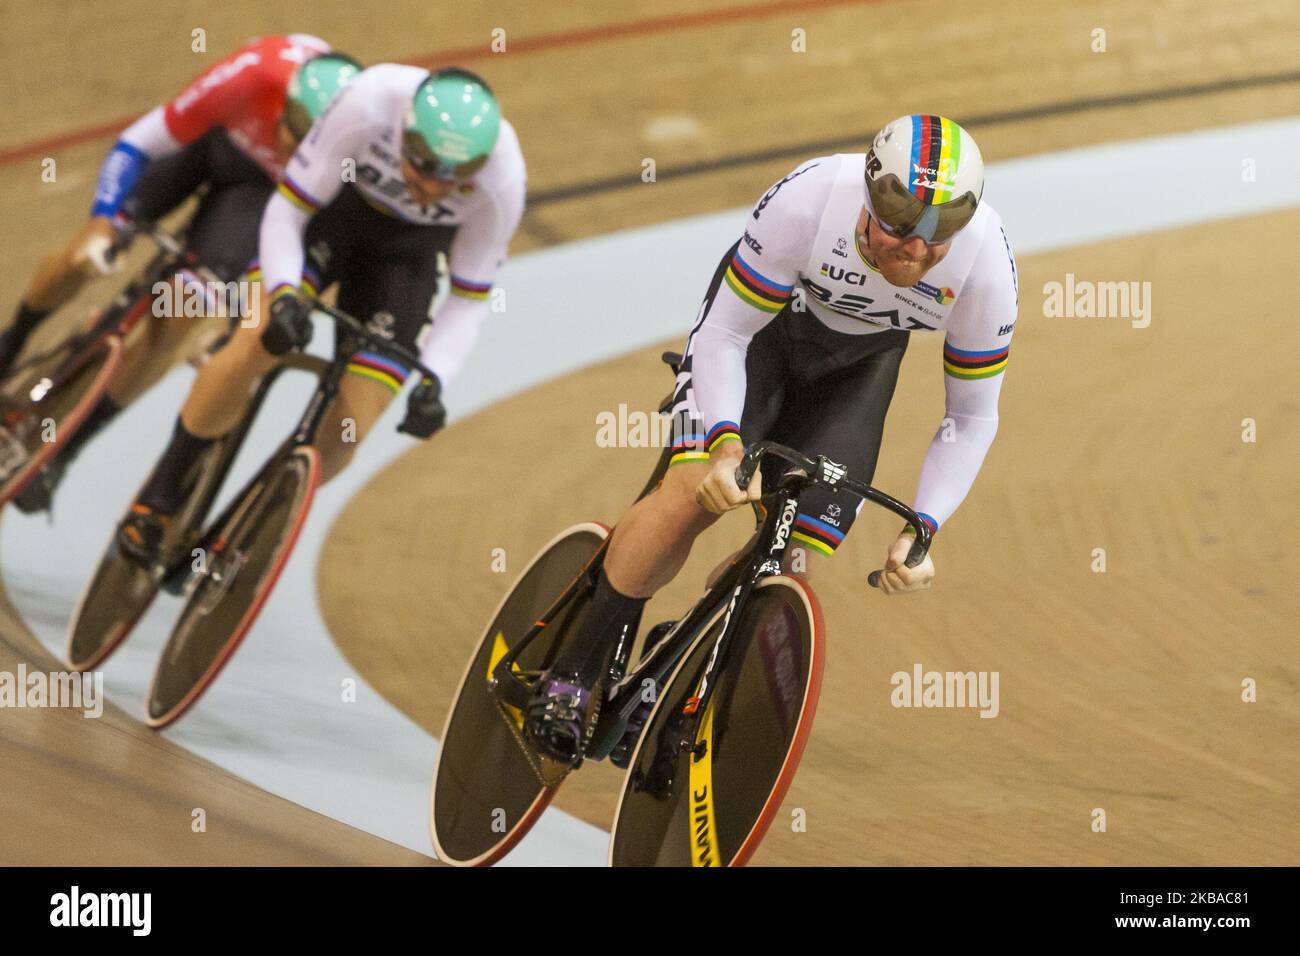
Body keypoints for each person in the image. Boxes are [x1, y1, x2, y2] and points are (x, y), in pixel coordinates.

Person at [525, 114, 1019, 762]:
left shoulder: (984, 268)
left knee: (789, 561)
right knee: (690, 498)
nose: (916, 250)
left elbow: (973, 418)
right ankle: (576, 668)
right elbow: (726, 334)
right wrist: (725, 445)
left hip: (856, 372)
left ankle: (684, 655)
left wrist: (924, 527)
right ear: (869, 198)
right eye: (900, 225)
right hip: (760, 338)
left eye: (938, 235)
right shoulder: (813, 198)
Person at [115, 65, 526, 565]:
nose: (435, 186)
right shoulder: (369, 102)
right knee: (260, 336)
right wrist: (286, 293)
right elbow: (288, 211)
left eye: (455, 176)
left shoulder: (503, 177)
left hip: (404, 260)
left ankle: (253, 530)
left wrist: (433, 381)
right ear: (404, 130)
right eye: (422, 164)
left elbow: (468, 298)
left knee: (356, 419)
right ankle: (156, 501)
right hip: (333, 219)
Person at [4, 35, 361, 512]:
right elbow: (138, 142)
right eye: (289, 128)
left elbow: (308, 252)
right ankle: (13, 341)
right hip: (216, 148)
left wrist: (235, 325)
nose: (290, 145)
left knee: (181, 311)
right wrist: (105, 219)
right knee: (81, 257)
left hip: (261, 201)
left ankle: (64, 451)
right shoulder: (253, 74)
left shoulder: (358, 158)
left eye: (307, 144)